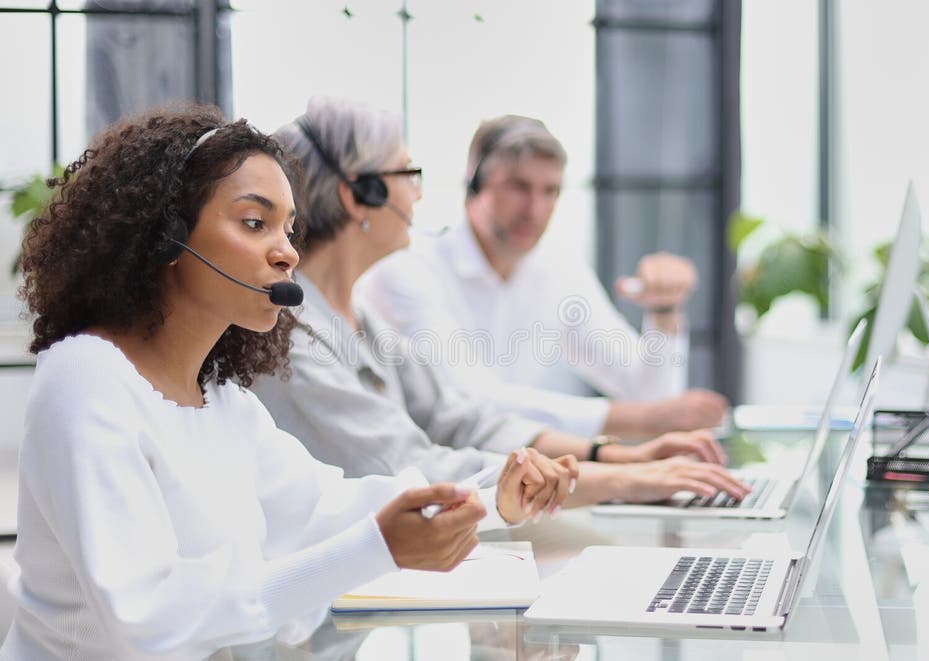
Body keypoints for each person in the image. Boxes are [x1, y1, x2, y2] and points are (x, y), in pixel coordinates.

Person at [0, 105, 572, 660]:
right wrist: (376, 547)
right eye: (255, 223)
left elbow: (325, 508)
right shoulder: (87, 380)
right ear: (167, 234)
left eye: (289, 229)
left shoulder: (222, 400)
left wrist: (489, 498)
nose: (286, 253)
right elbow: (147, 619)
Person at [251, 97, 749, 511]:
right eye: (409, 174)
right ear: (362, 193)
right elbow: (410, 466)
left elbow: (461, 418)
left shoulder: (359, 316)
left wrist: (614, 457)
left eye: (551, 191)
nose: (419, 196)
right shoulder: (295, 336)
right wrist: (620, 480)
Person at [360, 115, 729, 440]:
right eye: (518, 187)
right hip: (424, 481)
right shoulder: (408, 268)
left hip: (521, 479)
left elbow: (650, 397)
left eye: (550, 191)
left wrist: (665, 311)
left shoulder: (557, 271)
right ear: (474, 187)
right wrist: (638, 419)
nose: (535, 209)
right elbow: (469, 402)